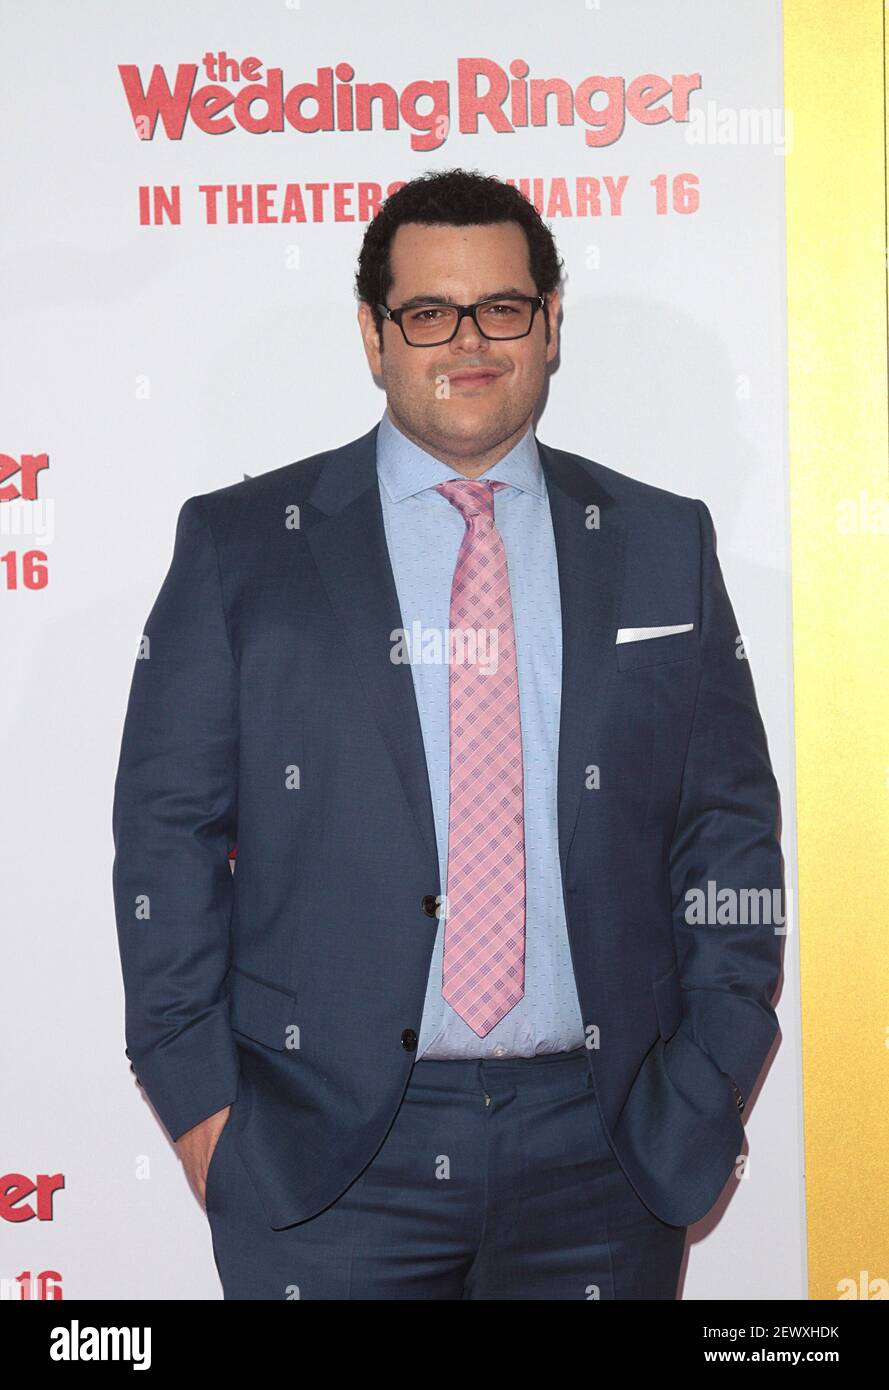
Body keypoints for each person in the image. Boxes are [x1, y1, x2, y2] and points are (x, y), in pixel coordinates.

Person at [112, 167, 784, 1300]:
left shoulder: (664, 542)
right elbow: (167, 837)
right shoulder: (243, 547)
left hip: (604, 1150)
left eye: (503, 308)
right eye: (428, 312)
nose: (467, 340)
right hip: (320, 1161)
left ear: (550, 323)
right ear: (375, 335)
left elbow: (727, 830)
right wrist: (206, 1115)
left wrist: (706, 1078)